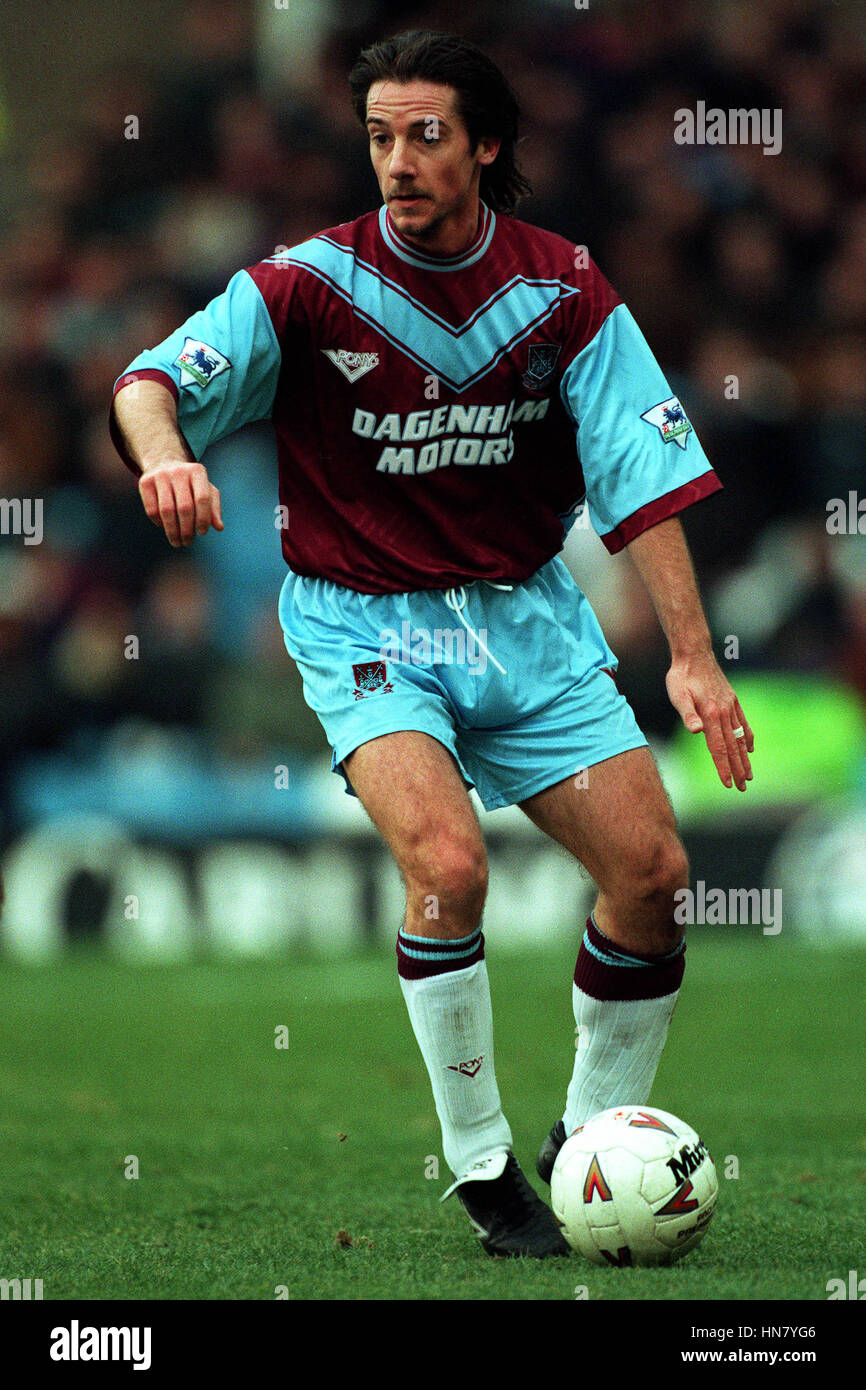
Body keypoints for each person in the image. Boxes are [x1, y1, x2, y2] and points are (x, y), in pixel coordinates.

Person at [110, 30, 753, 1259]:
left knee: (652, 875)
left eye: (425, 135)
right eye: (378, 137)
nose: (397, 162)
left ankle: (582, 1146)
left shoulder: (564, 287)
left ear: (487, 145)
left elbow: (646, 475)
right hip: (365, 622)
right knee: (449, 868)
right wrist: (168, 455)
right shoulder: (305, 284)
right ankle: (479, 1168)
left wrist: (688, 654)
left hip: (521, 619)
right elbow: (149, 379)